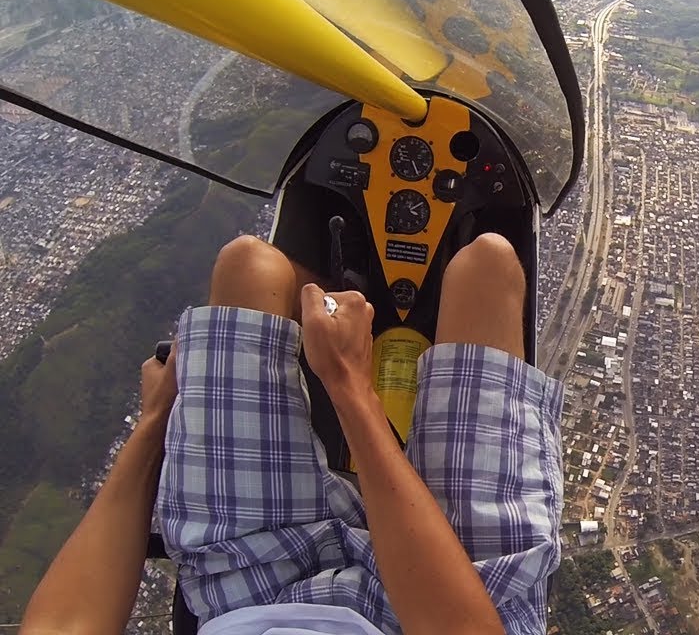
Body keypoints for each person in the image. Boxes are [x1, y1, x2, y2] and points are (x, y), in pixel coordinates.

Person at [21, 233, 564, 635]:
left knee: (247, 265)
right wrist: (351, 389)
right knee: (486, 266)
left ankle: (338, 302)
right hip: (457, 609)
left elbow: (63, 623)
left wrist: (154, 425)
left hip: (248, 604)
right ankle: (353, 318)